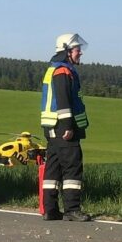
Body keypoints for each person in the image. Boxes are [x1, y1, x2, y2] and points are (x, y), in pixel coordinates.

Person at [40, 33, 91, 221]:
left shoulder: (54, 69)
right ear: (67, 51)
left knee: (53, 169)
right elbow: (64, 101)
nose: (80, 53)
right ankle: (72, 209)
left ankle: (50, 209)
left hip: (52, 127)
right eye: (77, 50)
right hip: (63, 127)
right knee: (72, 167)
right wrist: (68, 126)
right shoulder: (63, 71)